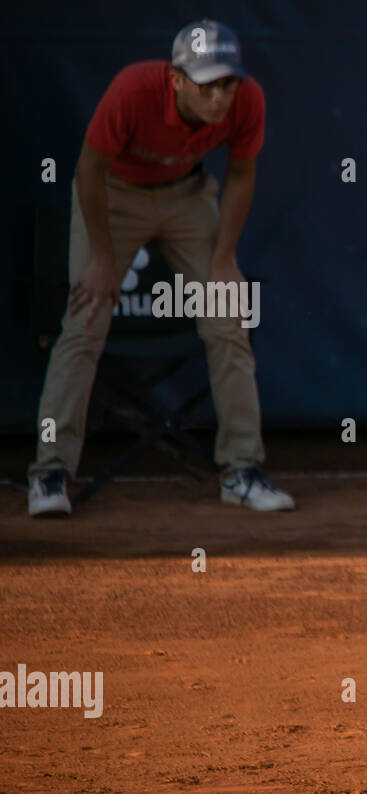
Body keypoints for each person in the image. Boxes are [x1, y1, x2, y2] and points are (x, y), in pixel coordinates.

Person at [27, 19, 295, 516]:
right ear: (176, 79)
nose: (220, 97)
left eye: (228, 83)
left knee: (229, 317)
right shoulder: (132, 90)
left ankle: (242, 471)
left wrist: (224, 259)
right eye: (207, 84)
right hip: (114, 194)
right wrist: (102, 259)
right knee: (85, 320)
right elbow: (89, 169)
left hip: (187, 196)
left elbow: (241, 174)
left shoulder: (248, 100)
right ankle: (50, 473)